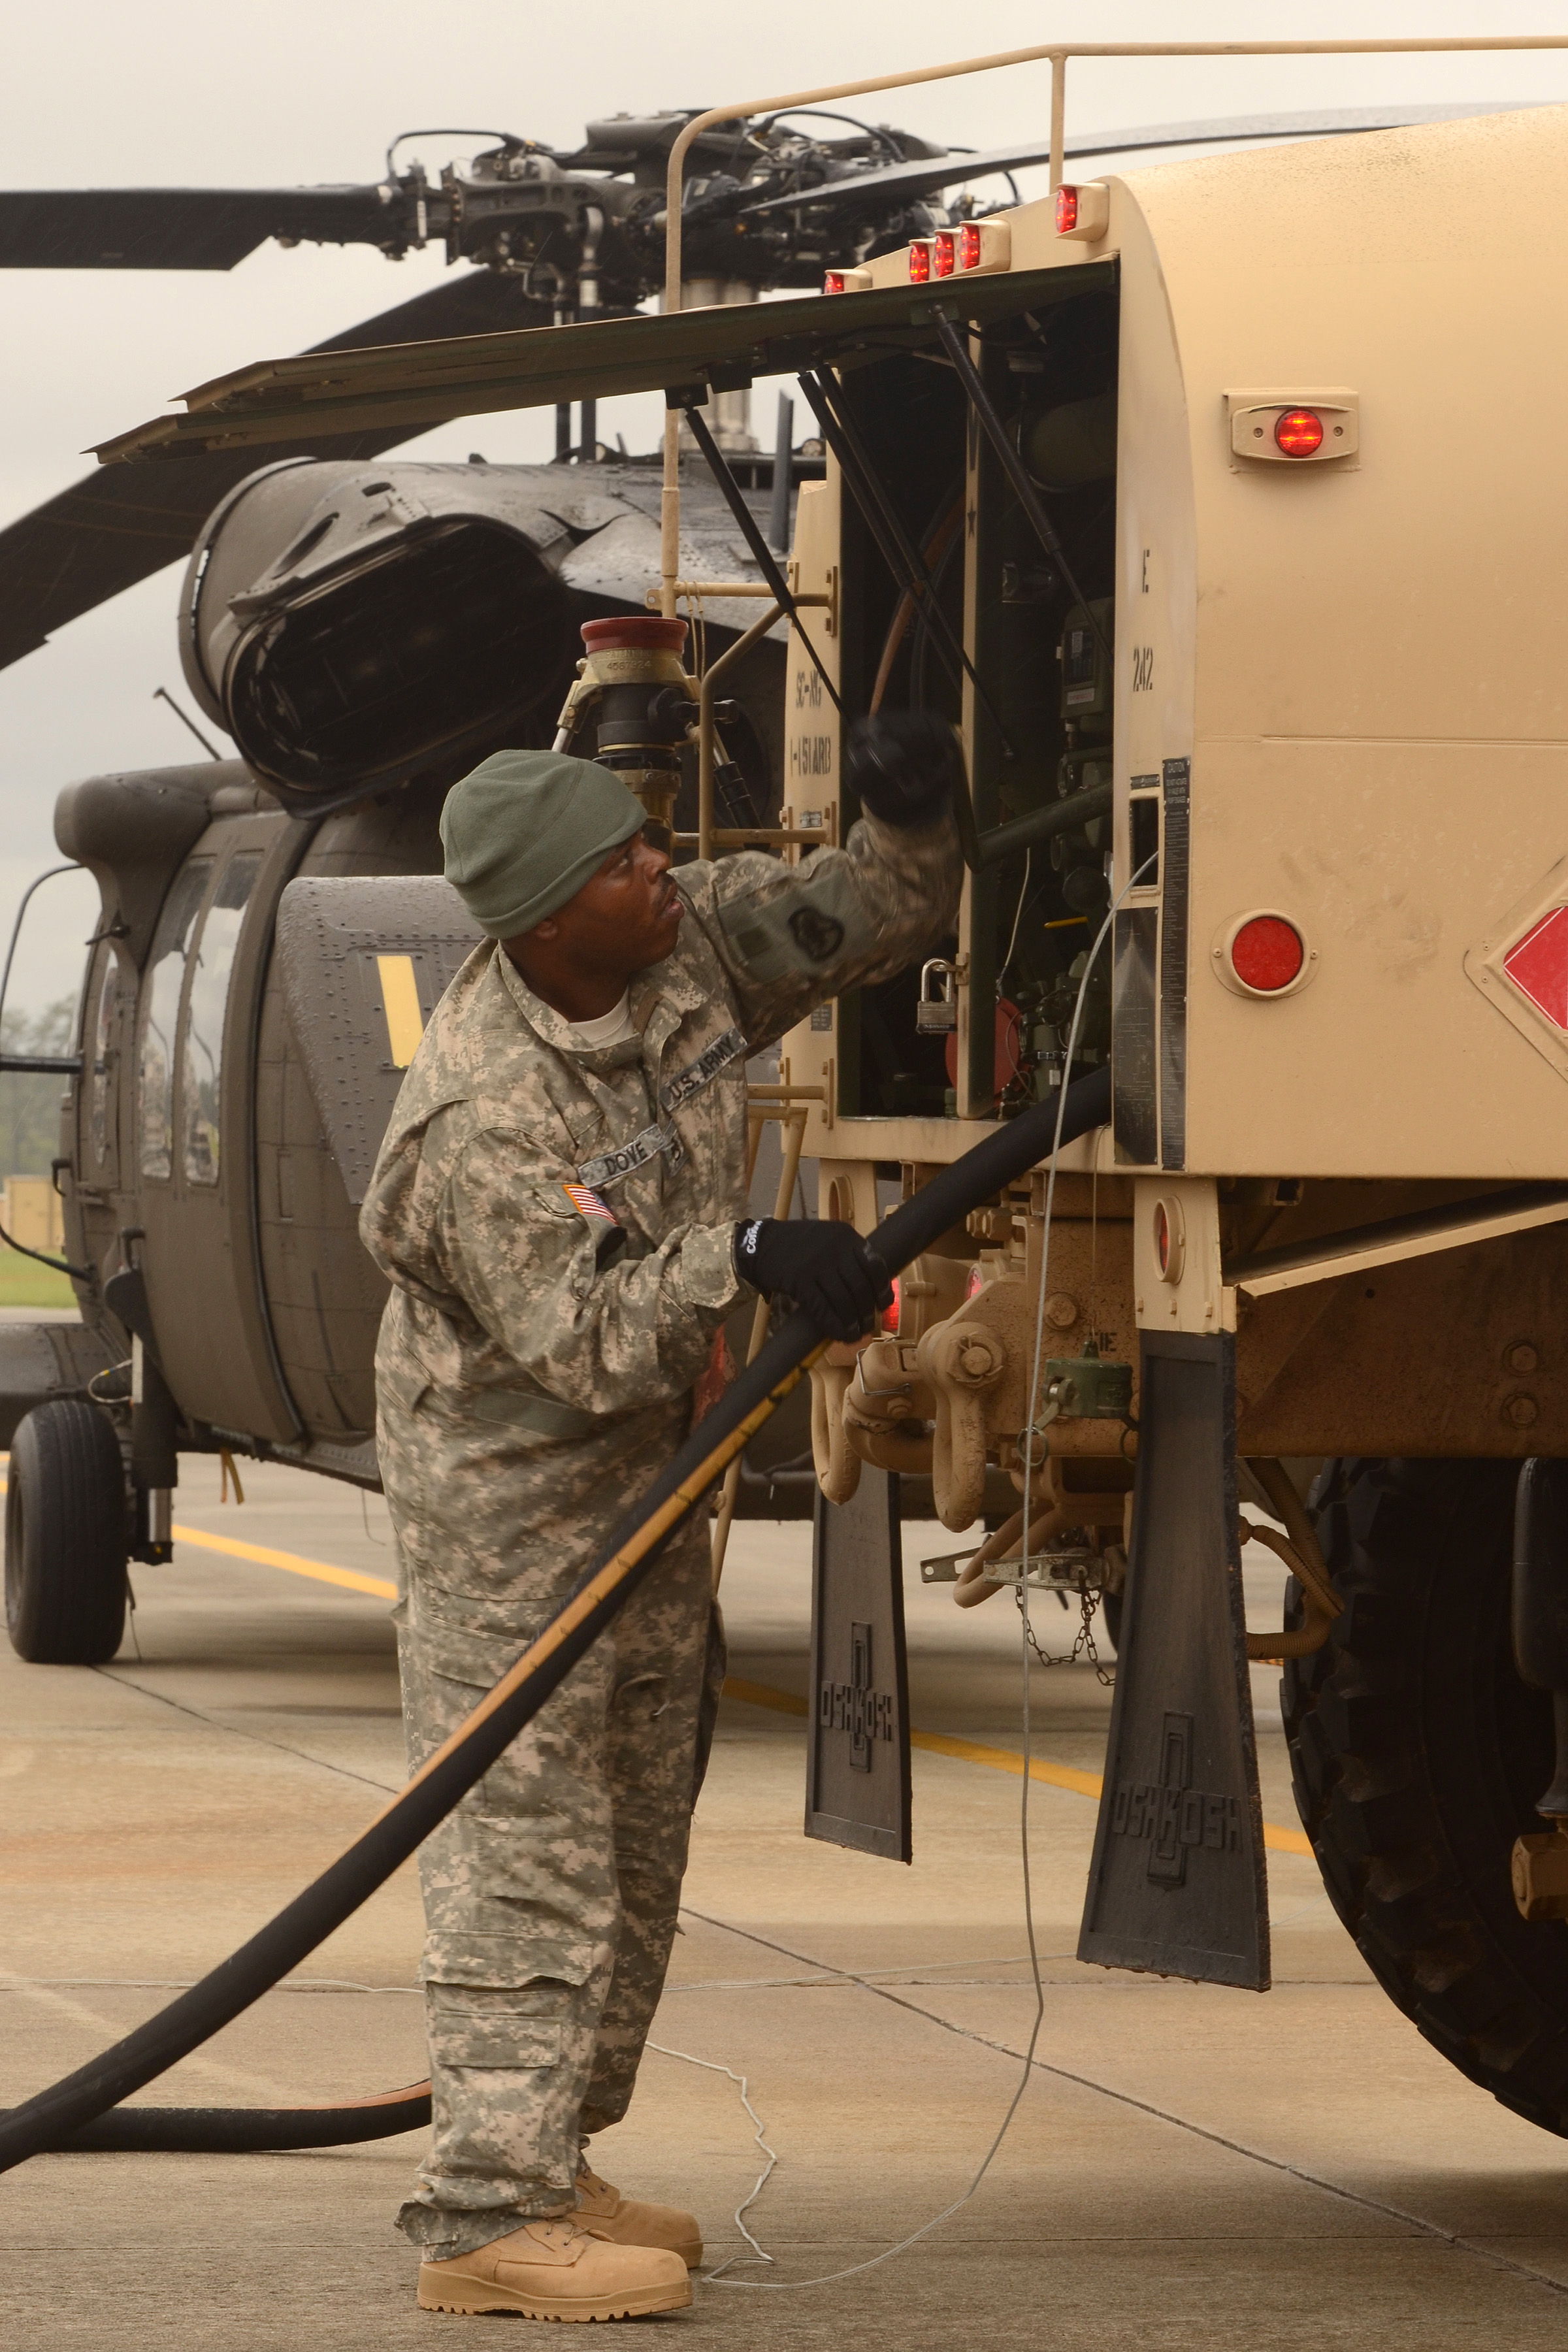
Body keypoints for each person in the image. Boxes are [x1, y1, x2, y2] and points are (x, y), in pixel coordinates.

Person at [359, 710, 963, 2321]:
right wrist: (747, 1262)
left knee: (636, 1833)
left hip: (645, 1484)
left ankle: (551, 2160)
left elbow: (867, 914)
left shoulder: (681, 946)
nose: (661, 870)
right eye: (624, 863)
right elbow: (579, 1340)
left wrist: (912, 822)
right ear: (550, 921)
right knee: (526, 1847)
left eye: (648, 845)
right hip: (508, 1505)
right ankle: (483, 2217)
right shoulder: (487, 1110)